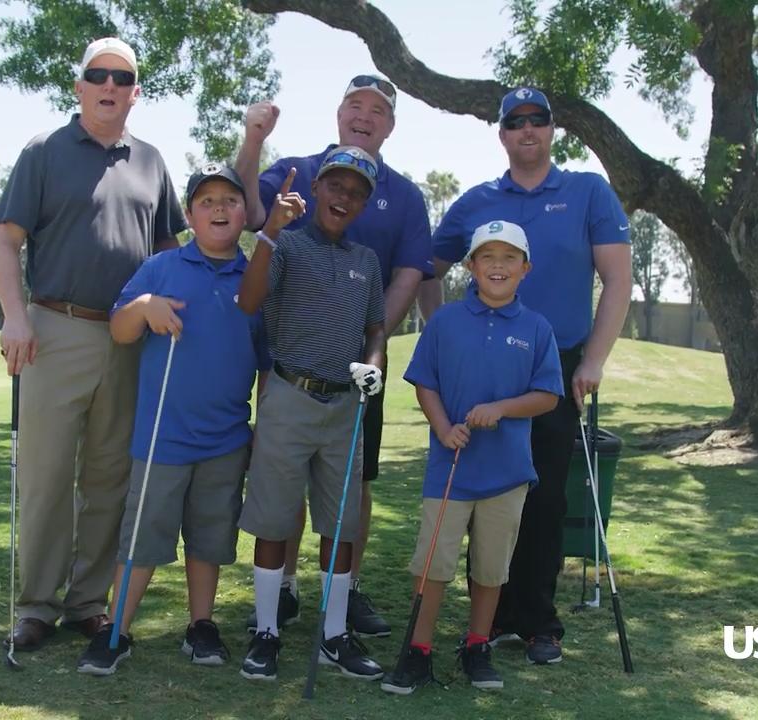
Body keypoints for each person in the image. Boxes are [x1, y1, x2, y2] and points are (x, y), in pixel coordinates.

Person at [418, 87, 632, 665]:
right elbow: (426, 269)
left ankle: (536, 620)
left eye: (538, 121)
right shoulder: (476, 201)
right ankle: (486, 622)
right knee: (479, 492)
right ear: (502, 134)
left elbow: (617, 279)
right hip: (480, 370)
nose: (528, 130)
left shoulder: (588, 191)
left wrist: (593, 360)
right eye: (516, 122)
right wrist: (443, 336)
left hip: (553, 367)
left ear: (553, 130)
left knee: (541, 498)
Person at [0, 37, 187, 652]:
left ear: (135, 92)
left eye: (121, 77)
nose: (109, 85)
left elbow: (170, 255)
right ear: (79, 86)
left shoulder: (152, 161)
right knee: (48, 475)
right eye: (97, 75)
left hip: (129, 337)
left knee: (108, 477)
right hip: (55, 329)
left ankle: (86, 602)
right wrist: (14, 317)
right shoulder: (44, 151)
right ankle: (37, 606)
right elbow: (4, 241)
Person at [234, 73, 432, 638]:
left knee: (348, 498)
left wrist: (371, 351)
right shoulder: (294, 198)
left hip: (352, 385)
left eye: (378, 110)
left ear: (390, 124)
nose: (365, 116)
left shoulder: (390, 222)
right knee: (279, 494)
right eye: (355, 105)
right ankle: (278, 607)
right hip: (288, 377)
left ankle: (339, 612)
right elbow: (251, 231)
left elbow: (400, 288)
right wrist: (255, 151)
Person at [76, 164, 270, 676]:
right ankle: (117, 630)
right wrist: (144, 305)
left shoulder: (255, 277)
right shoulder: (161, 267)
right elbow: (120, 331)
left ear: (244, 213)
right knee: (140, 541)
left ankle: (201, 625)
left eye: (230, 200)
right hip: (163, 437)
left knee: (209, 540)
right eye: (206, 202)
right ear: (189, 215)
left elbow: (266, 362)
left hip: (227, 439)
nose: (219, 209)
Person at [384, 220, 562, 694]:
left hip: (507, 473)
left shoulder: (536, 328)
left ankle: (477, 645)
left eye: (508, 258)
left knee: (490, 569)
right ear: (470, 266)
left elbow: (547, 395)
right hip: (450, 470)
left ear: (525, 268)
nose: (498, 266)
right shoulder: (445, 321)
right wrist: (442, 427)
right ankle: (418, 650)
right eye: (488, 257)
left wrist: (501, 408)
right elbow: (425, 381)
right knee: (433, 565)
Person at [235, 147, 388, 682]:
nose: (343, 198)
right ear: (319, 189)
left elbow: (375, 329)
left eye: (355, 193)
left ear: (364, 203)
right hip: (288, 394)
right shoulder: (288, 245)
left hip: (345, 403)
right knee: (275, 519)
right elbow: (249, 301)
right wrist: (270, 231)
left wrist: (374, 366)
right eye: (336, 187)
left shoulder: (366, 262)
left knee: (341, 524)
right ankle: (267, 631)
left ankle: (332, 635)